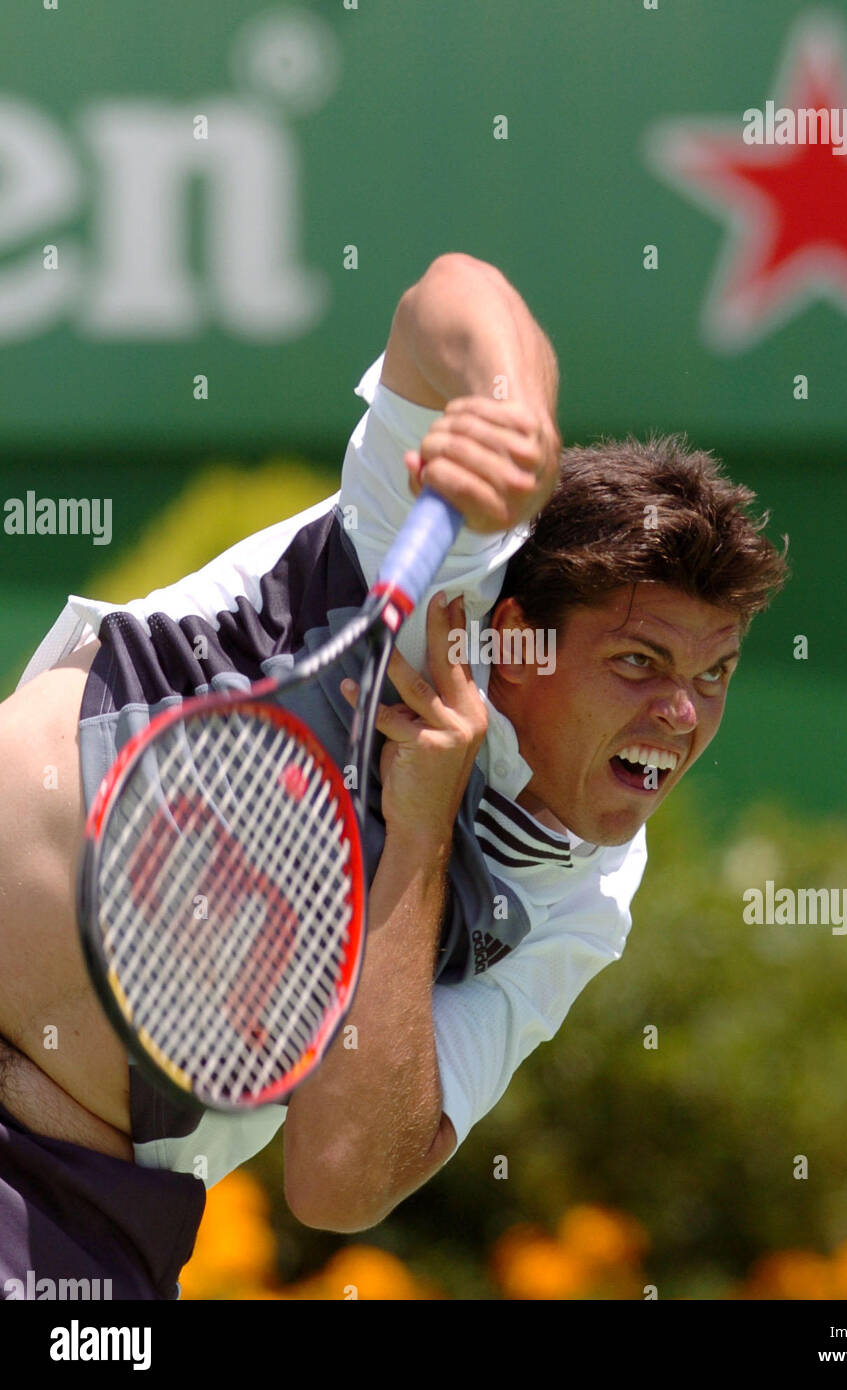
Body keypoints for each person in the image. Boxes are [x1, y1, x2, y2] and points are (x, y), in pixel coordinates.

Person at [0, 253, 787, 1299]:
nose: (682, 713)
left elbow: (340, 1178)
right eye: (639, 663)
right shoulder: (436, 574)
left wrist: (415, 846)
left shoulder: (580, 901)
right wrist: (512, 411)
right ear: (517, 640)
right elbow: (449, 300)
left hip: (58, 1213)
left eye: (713, 674)